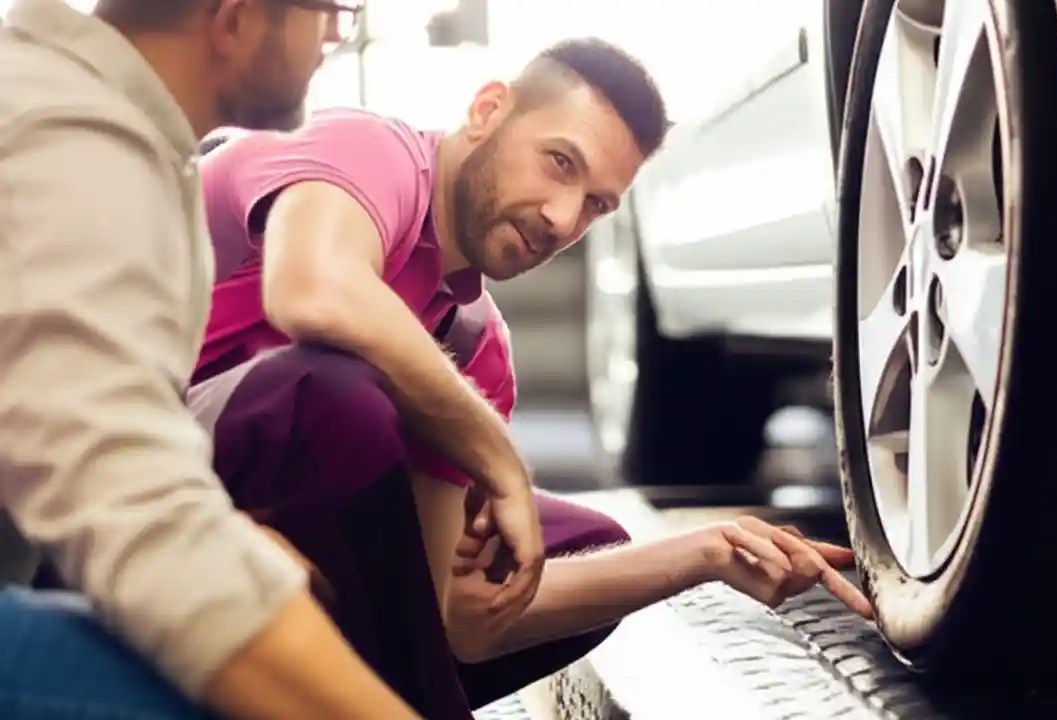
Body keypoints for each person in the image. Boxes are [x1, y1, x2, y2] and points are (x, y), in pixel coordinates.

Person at [190, 37, 874, 717]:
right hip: (139, 465)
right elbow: (313, 291)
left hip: (286, 526)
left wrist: (704, 556)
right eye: (558, 162)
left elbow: (459, 622)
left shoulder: (475, 342)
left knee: (573, 547)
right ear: (489, 110)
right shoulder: (370, 153)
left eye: (596, 205)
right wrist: (498, 460)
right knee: (338, 390)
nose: (560, 217)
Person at [0, 0, 427, 717]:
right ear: (235, 19)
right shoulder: (73, 146)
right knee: (226, 684)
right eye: (330, 11)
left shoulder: (90, 119)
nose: (333, 36)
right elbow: (133, 515)